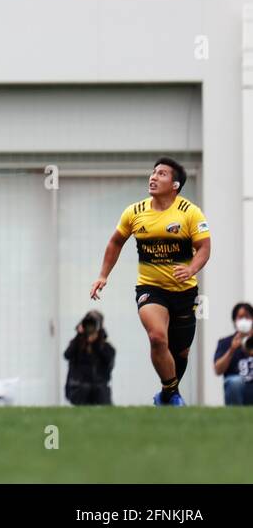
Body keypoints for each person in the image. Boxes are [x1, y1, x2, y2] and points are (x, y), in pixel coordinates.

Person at [90, 157, 210, 406]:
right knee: (157, 337)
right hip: (150, 289)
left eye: (162, 174)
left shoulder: (190, 212)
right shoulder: (134, 212)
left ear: (175, 185)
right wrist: (103, 275)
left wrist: (191, 269)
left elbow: (204, 248)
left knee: (181, 352)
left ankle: (166, 395)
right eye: (153, 173)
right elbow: (115, 242)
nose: (153, 177)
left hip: (184, 292)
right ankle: (174, 394)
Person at [63, 310, 115, 406]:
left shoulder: (105, 347)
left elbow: (109, 360)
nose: (90, 327)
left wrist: (97, 342)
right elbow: (67, 355)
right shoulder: (77, 344)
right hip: (80, 390)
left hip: (100, 391)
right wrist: (79, 336)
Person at [213, 301, 253, 406]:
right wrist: (231, 350)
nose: (244, 320)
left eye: (247, 317)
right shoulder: (225, 342)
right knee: (235, 382)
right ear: (235, 321)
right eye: (240, 317)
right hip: (237, 384)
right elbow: (218, 370)